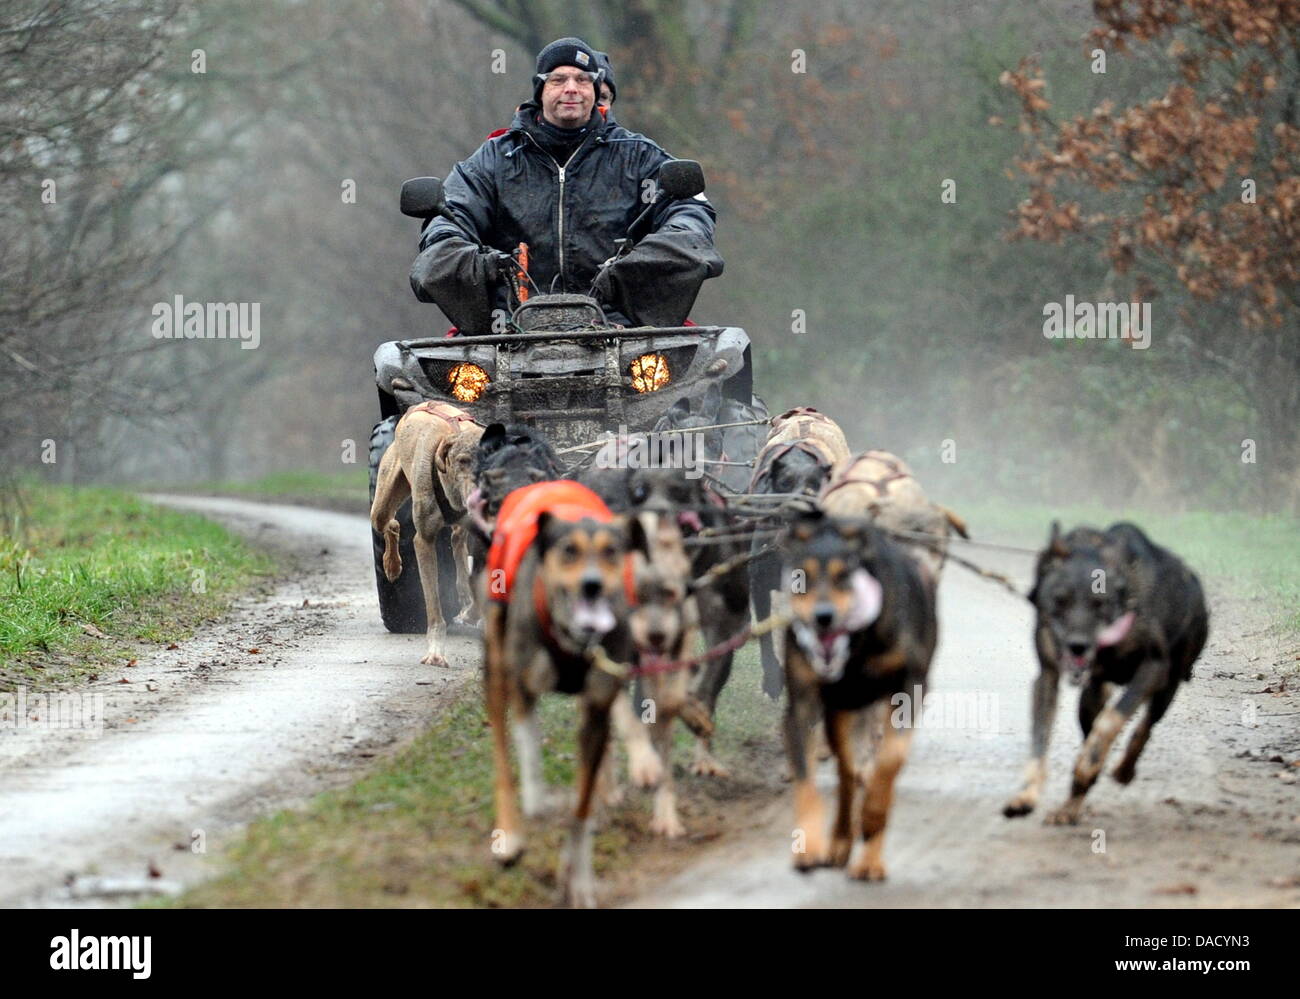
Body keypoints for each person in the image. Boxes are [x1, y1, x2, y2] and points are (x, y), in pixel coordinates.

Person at [410, 36, 720, 332]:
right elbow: (449, 217)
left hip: (627, 329)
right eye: (558, 80)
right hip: (506, 330)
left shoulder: (638, 156)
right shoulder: (494, 159)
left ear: (595, 91)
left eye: (583, 80)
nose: (571, 88)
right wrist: (482, 264)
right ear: (540, 90)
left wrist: (643, 262)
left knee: (722, 357)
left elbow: (691, 209)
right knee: (403, 369)